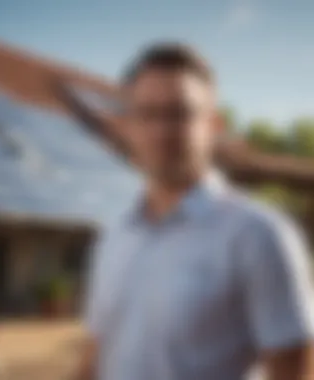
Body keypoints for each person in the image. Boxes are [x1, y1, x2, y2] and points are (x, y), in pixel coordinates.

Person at [52, 44, 314, 380]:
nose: (162, 132)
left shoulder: (259, 235)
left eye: (180, 113)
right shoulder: (114, 235)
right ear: (128, 126)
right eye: (147, 114)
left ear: (213, 125)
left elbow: (292, 371)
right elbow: (97, 353)